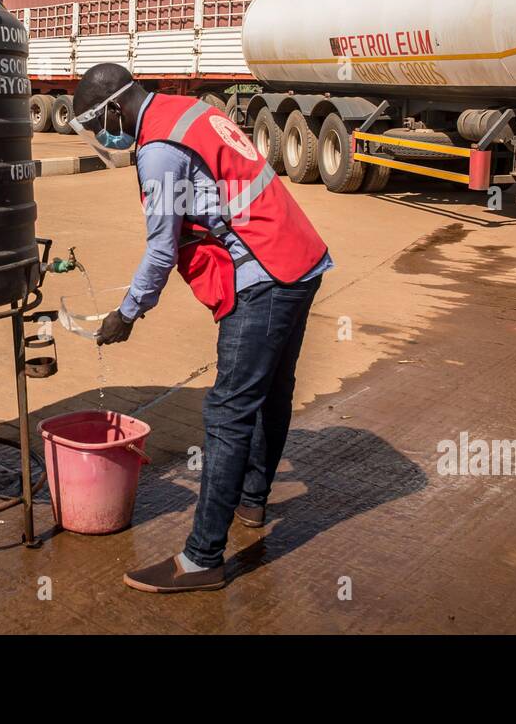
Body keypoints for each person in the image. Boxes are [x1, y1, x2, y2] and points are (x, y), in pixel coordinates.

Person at [69, 63, 332, 593]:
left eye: (100, 125)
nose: (104, 137)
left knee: (229, 410)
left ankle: (202, 559)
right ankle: (252, 503)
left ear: (116, 107)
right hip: (300, 260)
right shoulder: (184, 109)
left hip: (264, 275)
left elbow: (162, 246)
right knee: (272, 393)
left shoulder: (158, 148)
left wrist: (128, 312)